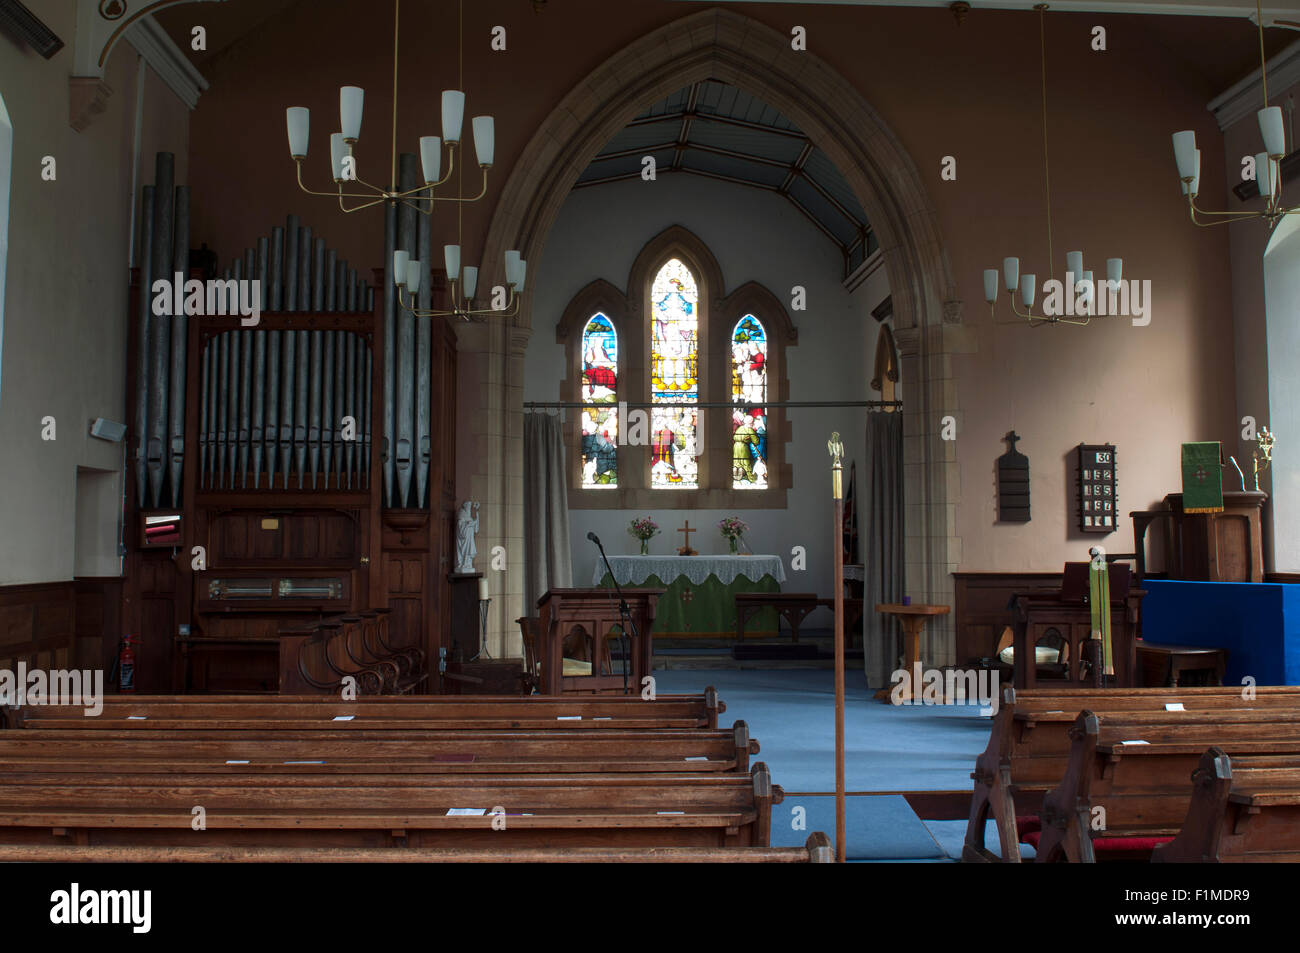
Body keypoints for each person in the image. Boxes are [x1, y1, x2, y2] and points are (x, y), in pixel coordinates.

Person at [455, 500, 480, 573]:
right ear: (465, 507)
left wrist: (476, 512)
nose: (469, 509)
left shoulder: (469, 517)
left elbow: (476, 529)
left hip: (470, 539)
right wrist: (468, 525)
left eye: (469, 507)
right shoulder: (461, 515)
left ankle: (468, 564)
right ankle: (463, 564)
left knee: (469, 551)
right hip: (464, 539)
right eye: (468, 507)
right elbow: (460, 529)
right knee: (466, 550)